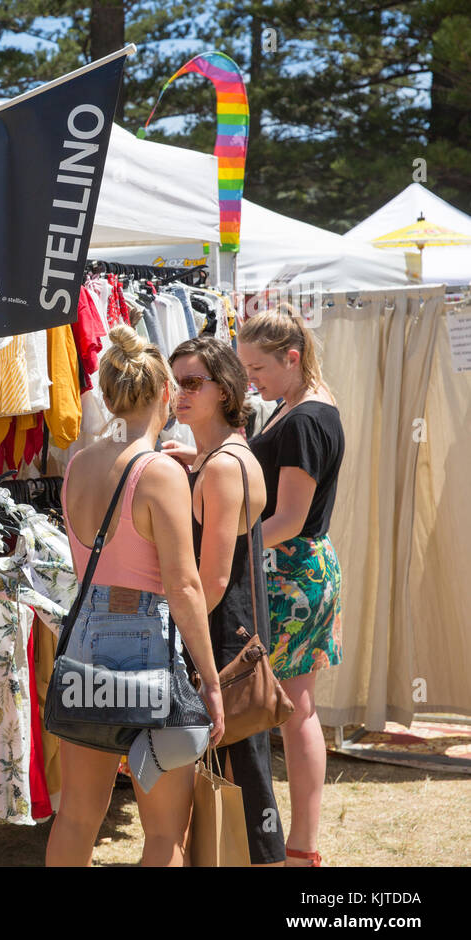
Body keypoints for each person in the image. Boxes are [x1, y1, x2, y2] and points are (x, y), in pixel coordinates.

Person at [45, 325, 224, 868]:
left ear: (105, 395)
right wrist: (212, 682)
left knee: (77, 816)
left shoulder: (78, 462)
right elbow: (185, 585)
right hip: (150, 651)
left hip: (86, 648)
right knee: (164, 832)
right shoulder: (160, 472)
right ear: (166, 395)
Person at [166, 336, 286, 866]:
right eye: (175, 383)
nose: (179, 394)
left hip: (221, 635)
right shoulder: (227, 458)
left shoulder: (220, 467)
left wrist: (175, 632)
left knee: (240, 778)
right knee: (240, 776)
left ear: (226, 389)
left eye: (193, 383)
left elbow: (211, 580)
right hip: (237, 630)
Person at [238, 306, 344, 868]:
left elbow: (290, 519)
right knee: (295, 706)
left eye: (257, 367)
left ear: (292, 357)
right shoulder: (299, 404)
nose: (250, 378)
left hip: (292, 572)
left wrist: (230, 542)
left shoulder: (303, 419)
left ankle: (302, 843)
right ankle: (300, 841)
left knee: (294, 708)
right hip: (298, 571)